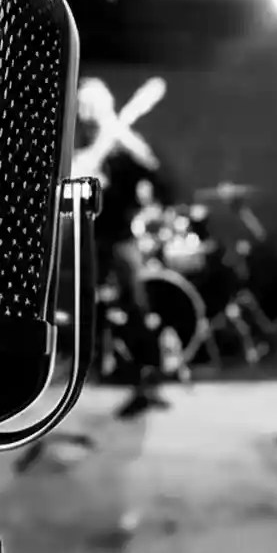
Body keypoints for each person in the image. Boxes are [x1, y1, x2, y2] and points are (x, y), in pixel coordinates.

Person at [74, 77, 173, 419]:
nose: (86, 110)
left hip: (120, 241)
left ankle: (147, 382)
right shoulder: (80, 146)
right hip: (86, 241)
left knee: (136, 309)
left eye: (92, 102)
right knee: (87, 310)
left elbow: (156, 174)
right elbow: (77, 173)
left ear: (106, 105)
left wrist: (124, 135)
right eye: (82, 103)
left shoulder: (124, 145)